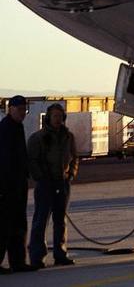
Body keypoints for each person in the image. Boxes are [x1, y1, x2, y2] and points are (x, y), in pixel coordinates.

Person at [27, 103, 78, 268]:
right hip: (45, 184)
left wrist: (71, 174)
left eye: (60, 116)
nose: (57, 119)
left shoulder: (68, 137)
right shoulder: (38, 138)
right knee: (41, 220)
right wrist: (40, 177)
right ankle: (37, 256)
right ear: (48, 118)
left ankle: (60, 253)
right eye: (54, 116)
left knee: (60, 220)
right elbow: (32, 160)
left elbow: (75, 157)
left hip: (62, 182)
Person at [0, 96, 34, 273]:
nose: (23, 113)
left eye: (24, 110)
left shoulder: (17, 127)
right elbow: (5, 160)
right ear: (10, 109)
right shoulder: (4, 129)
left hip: (19, 185)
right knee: (4, 225)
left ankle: (18, 261)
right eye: (20, 109)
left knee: (18, 224)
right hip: (6, 187)